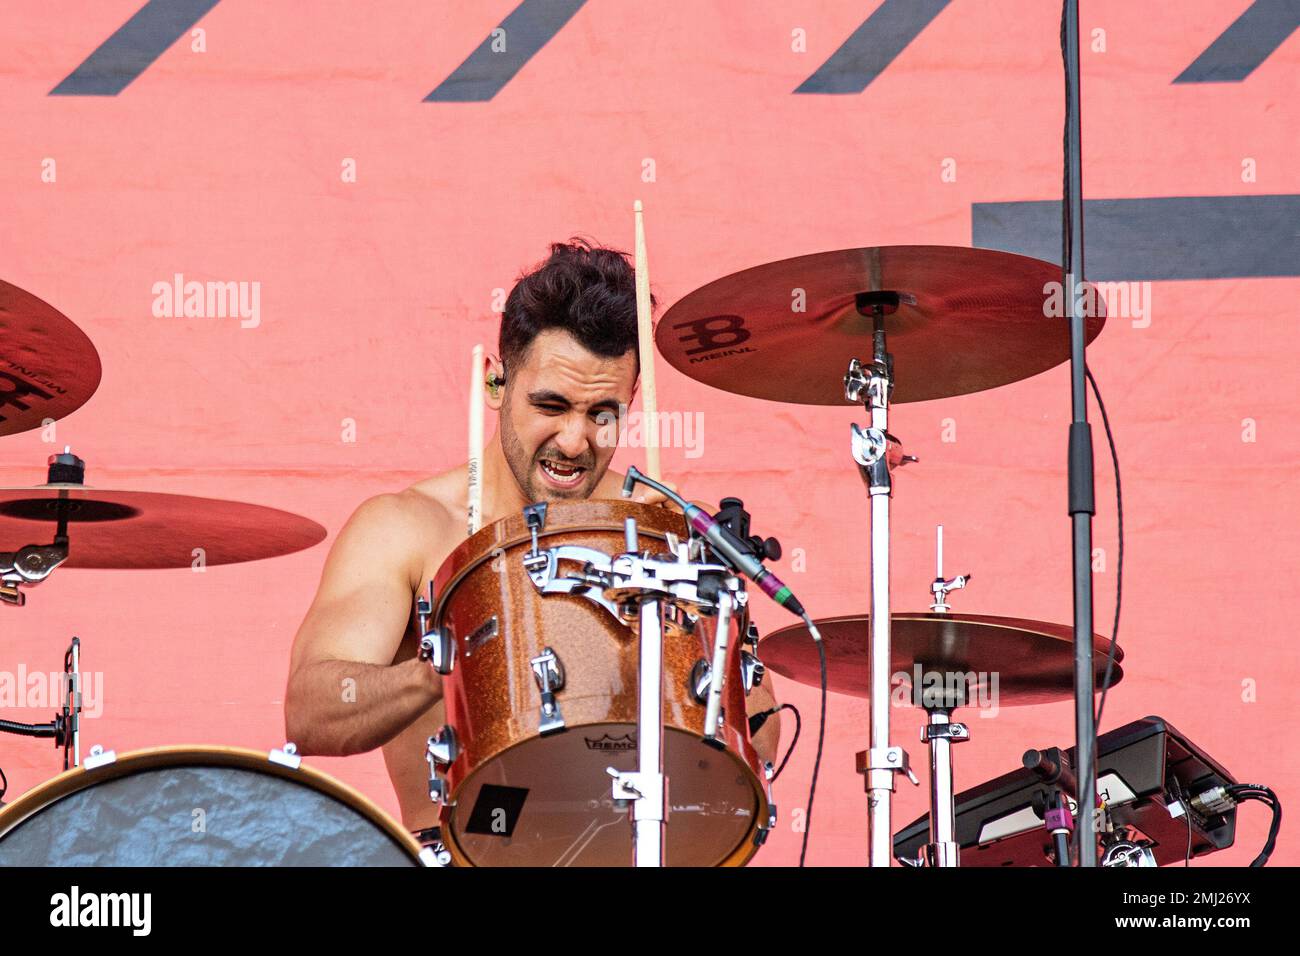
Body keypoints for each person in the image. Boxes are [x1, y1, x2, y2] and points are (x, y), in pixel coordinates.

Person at [284, 238, 780, 833]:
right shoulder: (410, 528)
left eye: (602, 413)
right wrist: (451, 660)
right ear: (496, 385)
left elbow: (763, 729)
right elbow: (310, 711)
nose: (575, 441)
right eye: (551, 405)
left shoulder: (665, 530)